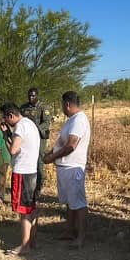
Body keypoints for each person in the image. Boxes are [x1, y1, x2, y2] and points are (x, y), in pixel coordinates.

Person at [43, 91, 91, 247]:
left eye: (63, 104)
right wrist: (51, 154)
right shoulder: (71, 120)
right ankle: (70, 230)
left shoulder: (79, 120)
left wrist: (52, 157)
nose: (62, 108)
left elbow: (71, 146)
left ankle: (81, 237)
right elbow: (62, 143)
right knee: (70, 202)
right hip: (64, 167)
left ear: (68, 104)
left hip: (72, 167)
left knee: (78, 202)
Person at [0, 102, 40, 255]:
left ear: (11, 115)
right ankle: (32, 241)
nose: (5, 121)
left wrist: (6, 135)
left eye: (5, 117)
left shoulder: (21, 126)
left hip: (22, 172)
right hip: (31, 171)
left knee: (24, 211)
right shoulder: (29, 123)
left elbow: (13, 149)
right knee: (31, 208)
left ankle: (25, 245)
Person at [20, 88, 51, 193]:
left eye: (33, 96)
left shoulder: (43, 107)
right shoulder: (24, 108)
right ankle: (27, 184)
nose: (31, 98)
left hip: (39, 137)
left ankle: (39, 186)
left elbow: (46, 123)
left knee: (38, 161)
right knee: (25, 159)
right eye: (29, 96)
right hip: (26, 138)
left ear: (37, 96)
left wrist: (35, 129)